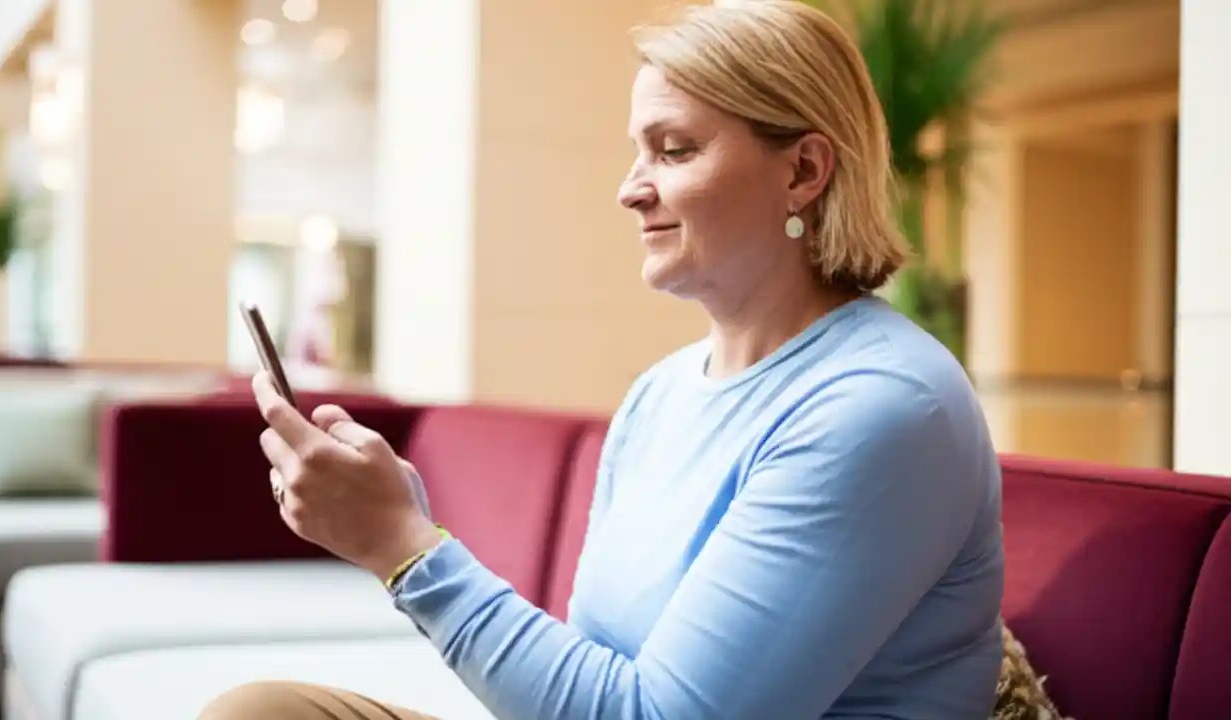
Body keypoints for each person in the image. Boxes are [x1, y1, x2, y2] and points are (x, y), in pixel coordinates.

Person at [200, 1, 1004, 718]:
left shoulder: (882, 408)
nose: (630, 188)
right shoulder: (660, 395)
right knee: (258, 711)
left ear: (802, 171)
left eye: (674, 150)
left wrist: (404, 547)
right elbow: (590, 667)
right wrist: (399, 513)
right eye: (637, 151)